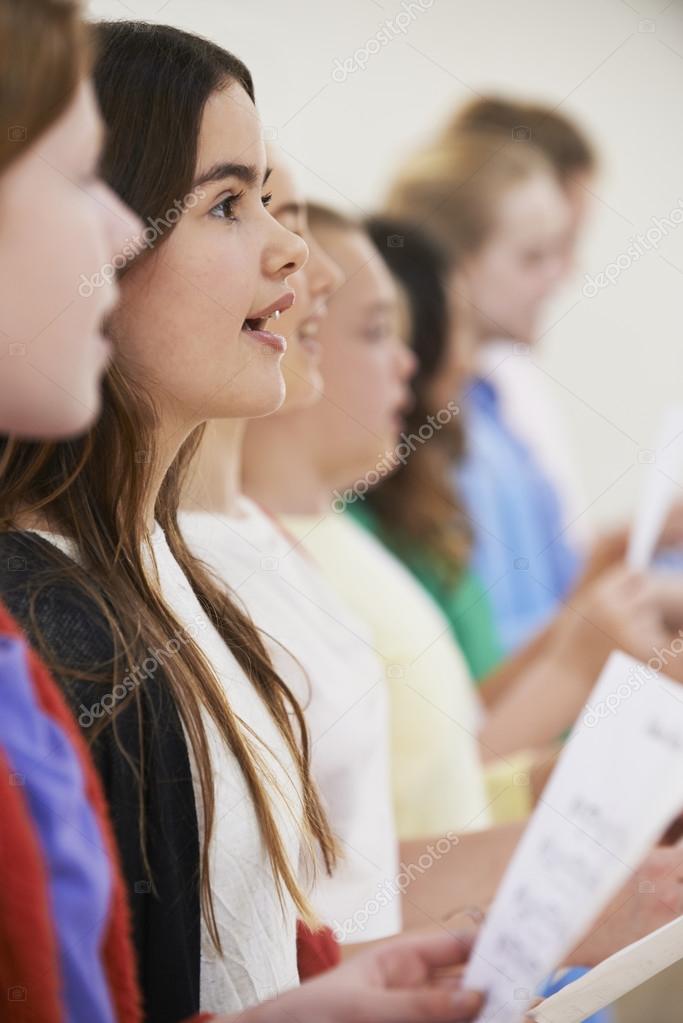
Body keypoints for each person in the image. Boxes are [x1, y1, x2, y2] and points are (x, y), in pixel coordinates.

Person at [0, 7, 485, 1022]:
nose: (297, 259)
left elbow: (249, 938)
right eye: (227, 206)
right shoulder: (50, 617)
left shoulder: (165, 579)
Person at [180, 147, 401, 952]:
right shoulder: (168, 570)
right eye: (234, 206)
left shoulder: (257, 536)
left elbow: (351, 882)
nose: (313, 265)